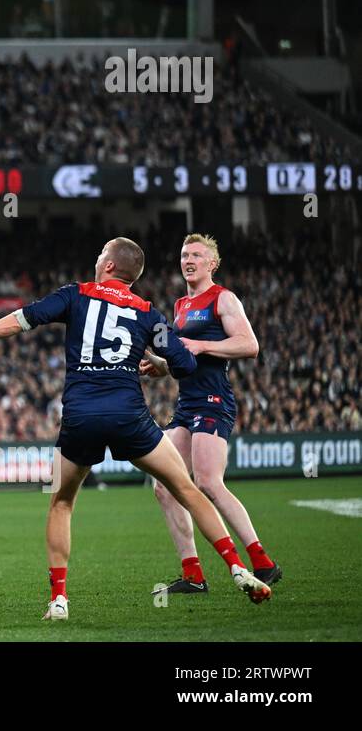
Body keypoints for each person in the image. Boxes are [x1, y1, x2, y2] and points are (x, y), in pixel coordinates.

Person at [0, 237, 273, 621]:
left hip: (81, 416)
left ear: (108, 266)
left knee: (62, 502)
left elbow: (24, 318)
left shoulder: (76, 295)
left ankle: (59, 600)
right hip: (129, 417)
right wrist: (160, 359)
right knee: (186, 488)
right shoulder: (147, 313)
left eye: (100, 254)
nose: (96, 259)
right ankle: (238, 568)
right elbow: (185, 365)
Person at [145, 234, 281, 595]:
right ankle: (193, 575)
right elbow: (185, 360)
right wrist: (160, 365)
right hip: (186, 403)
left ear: (212, 264)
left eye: (196, 255)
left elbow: (250, 345)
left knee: (208, 482)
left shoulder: (223, 298)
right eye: (184, 253)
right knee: (163, 485)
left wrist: (203, 344)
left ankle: (263, 562)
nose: (188, 259)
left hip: (213, 400)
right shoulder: (180, 305)